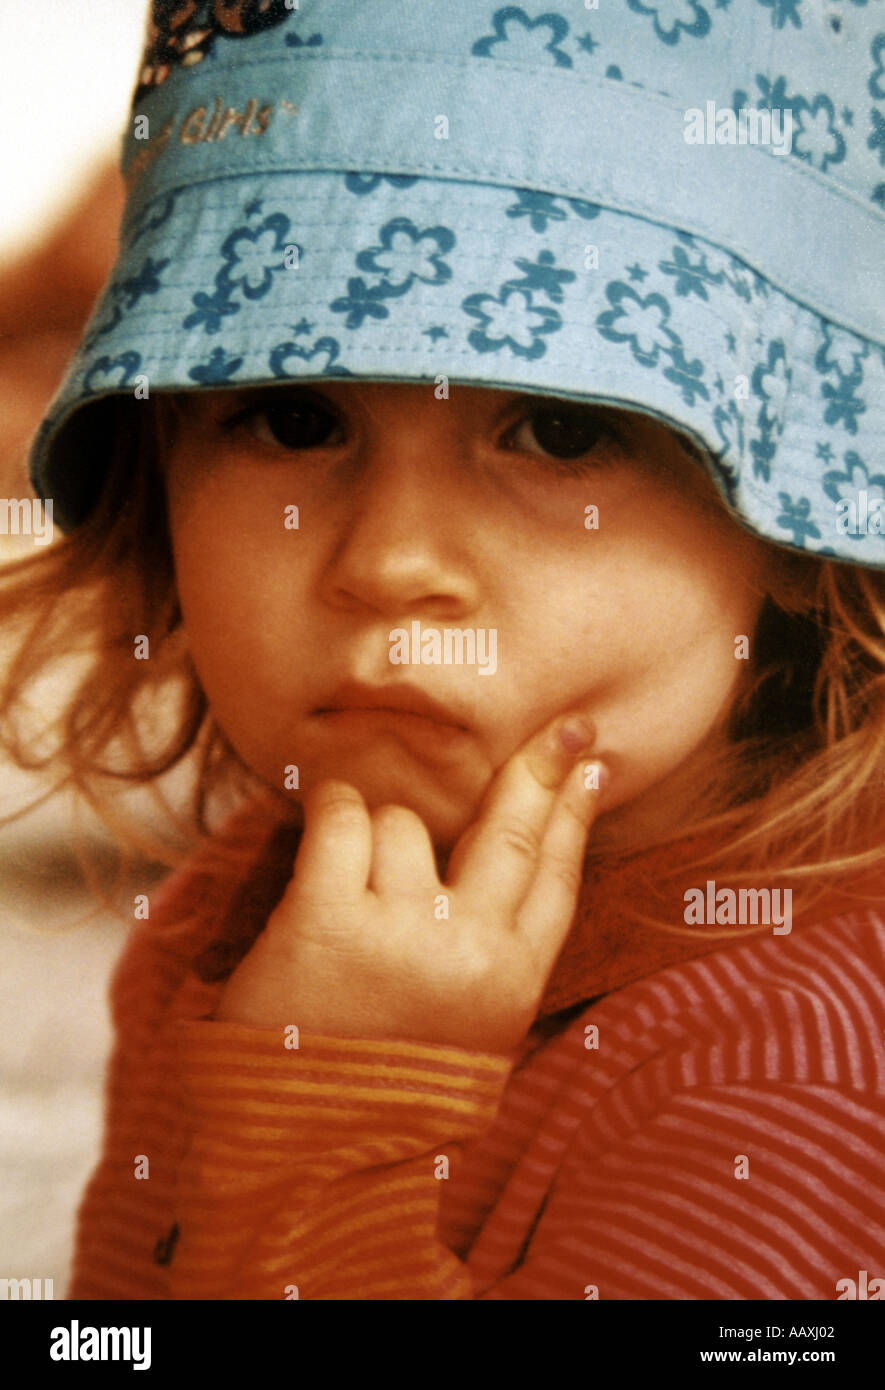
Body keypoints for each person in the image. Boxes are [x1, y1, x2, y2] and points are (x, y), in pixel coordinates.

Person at [3, 0, 884, 1300]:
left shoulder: (796, 1062)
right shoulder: (241, 903)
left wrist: (321, 1130)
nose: (388, 559)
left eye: (561, 430)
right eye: (293, 416)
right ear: (151, 483)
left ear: (801, 536)